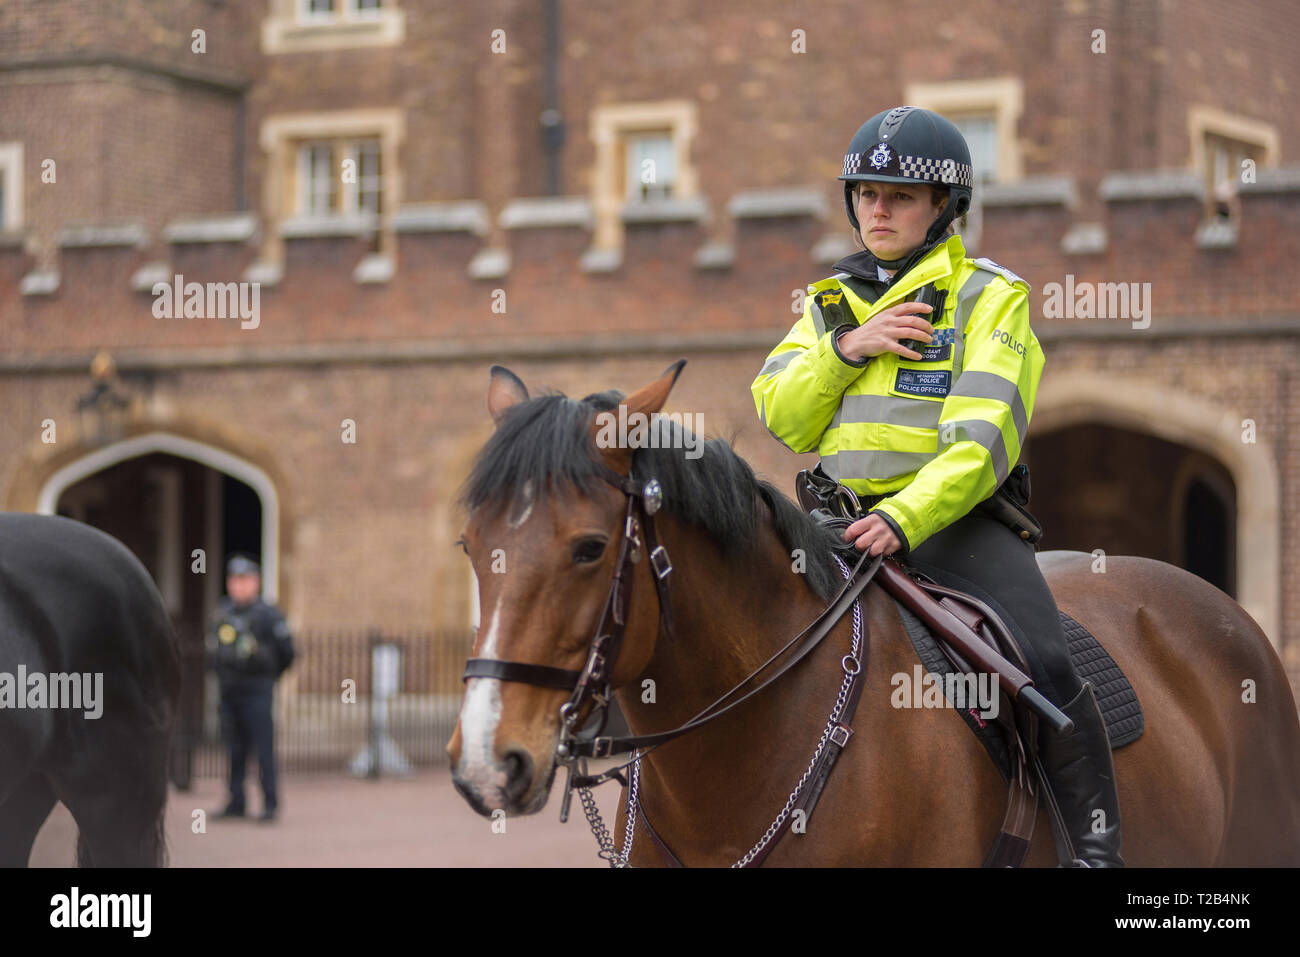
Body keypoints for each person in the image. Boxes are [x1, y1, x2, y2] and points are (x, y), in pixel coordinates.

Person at [750, 106, 1123, 867]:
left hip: (955, 527)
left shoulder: (993, 298)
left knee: (1045, 665)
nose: (877, 210)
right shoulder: (828, 305)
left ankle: (1095, 848)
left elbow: (983, 441)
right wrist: (845, 351)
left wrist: (906, 517)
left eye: (900, 196)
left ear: (944, 209)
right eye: (866, 194)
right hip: (831, 525)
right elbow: (781, 414)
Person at [207, 554, 294, 822]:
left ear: (256, 582)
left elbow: (287, 653)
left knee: (263, 748)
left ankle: (270, 803)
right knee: (234, 749)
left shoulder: (269, 615)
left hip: (257, 691)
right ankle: (236, 800)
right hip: (230, 690)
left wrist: (267, 676)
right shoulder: (223, 613)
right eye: (234, 580)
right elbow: (212, 651)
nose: (239, 585)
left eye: (244, 580)